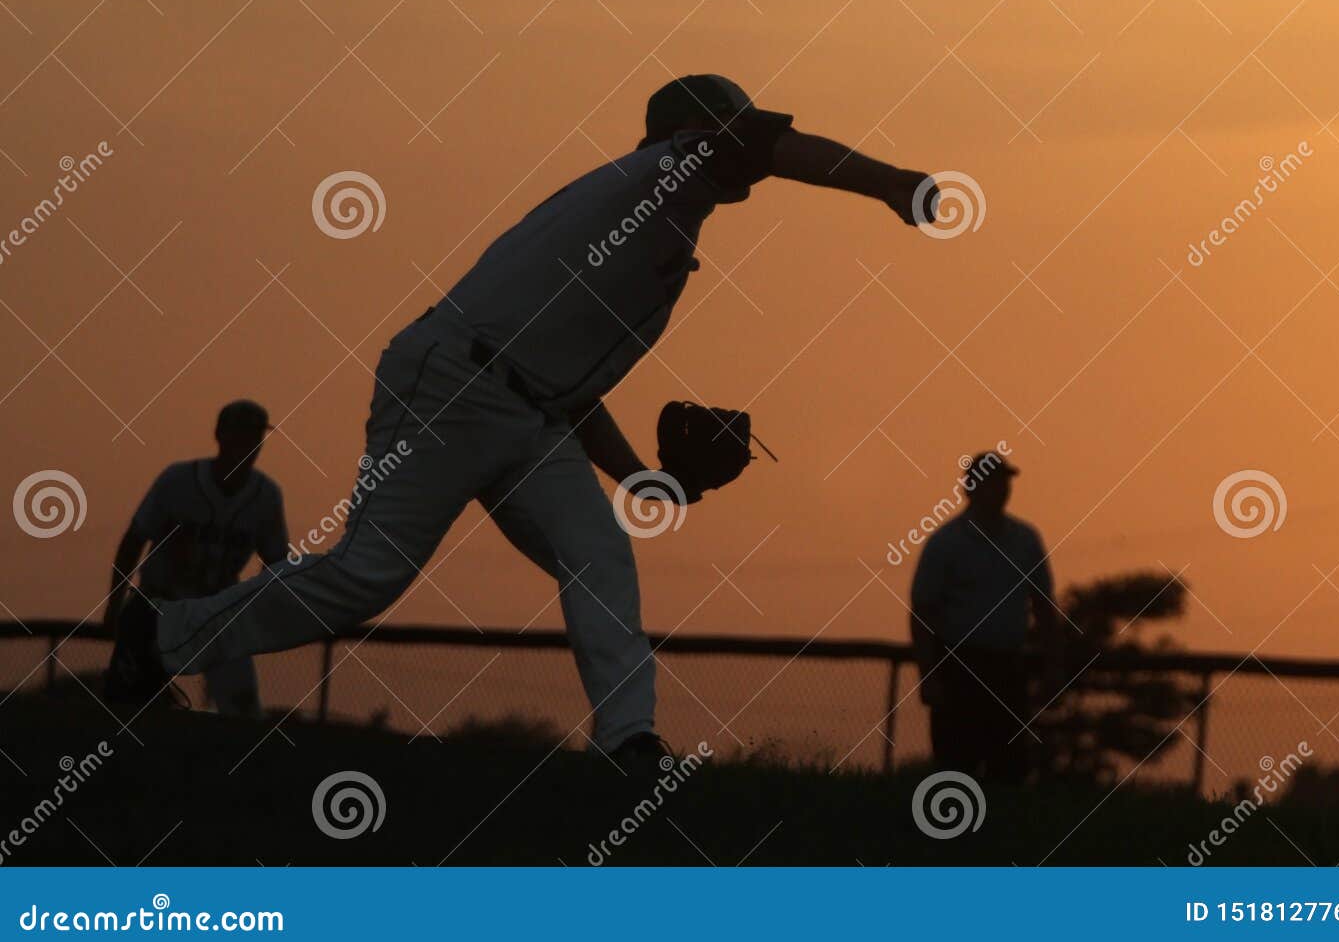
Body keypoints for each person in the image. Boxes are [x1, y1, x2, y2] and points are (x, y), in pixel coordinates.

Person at [107, 74, 939, 769]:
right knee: (367, 576)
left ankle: (629, 744)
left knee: (599, 552)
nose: (736, 140)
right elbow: (774, 148)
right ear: (693, 129)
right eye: (725, 121)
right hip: (452, 388)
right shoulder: (663, 171)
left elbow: (568, 390)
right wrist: (893, 185)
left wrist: (641, 480)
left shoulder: (662, 232)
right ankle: (162, 632)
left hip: (525, 410)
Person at [105, 399, 288, 717]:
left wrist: (256, 614)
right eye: (241, 434)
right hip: (157, 606)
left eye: (255, 436)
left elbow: (277, 565)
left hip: (219, 614)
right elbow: (134, 540)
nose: (248, 444)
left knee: (244, 716)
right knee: (126, 710)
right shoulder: (178, 481)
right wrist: (113, 604)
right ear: (219, 435)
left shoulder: (266, 496)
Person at [910, 449, 1060, 782]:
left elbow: (1044, 606)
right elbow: (923, 613)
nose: (1002, 490)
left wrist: (1051, 667)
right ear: (972, 488)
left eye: (1004, 483)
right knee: (955, 768)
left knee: (1008, 768)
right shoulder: (945, 544)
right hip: (959, 667)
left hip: (1008, 668)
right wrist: (929, 676)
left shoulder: (1025, 540)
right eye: (994, 483)